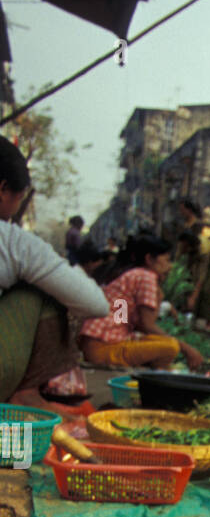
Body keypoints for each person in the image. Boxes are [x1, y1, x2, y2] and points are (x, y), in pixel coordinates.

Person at [0, 139, 108, 403]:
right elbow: (106, 310)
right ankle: (26, 394)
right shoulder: (135, 282)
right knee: (44, 291)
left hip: (99, 341)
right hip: (103, 349)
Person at [78, 235, 204, 371]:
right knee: (171, 347)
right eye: (167, 260)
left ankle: (157, 369)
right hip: (103, 349)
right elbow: (147, 325)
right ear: (149, 259)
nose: (170, 266)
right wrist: (186, 349)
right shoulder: (146, 276)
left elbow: (123, 320)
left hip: (95, 347)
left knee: (161, 344)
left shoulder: (131, 275)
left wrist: (158, 297)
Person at [185, 210, 210, 329]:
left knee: (205, 290)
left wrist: (193, 297)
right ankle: (193, 317)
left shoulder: (204, 250)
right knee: (190, 285)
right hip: (200, 260)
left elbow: (201, 276)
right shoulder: (187, 243)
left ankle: (209, 321)